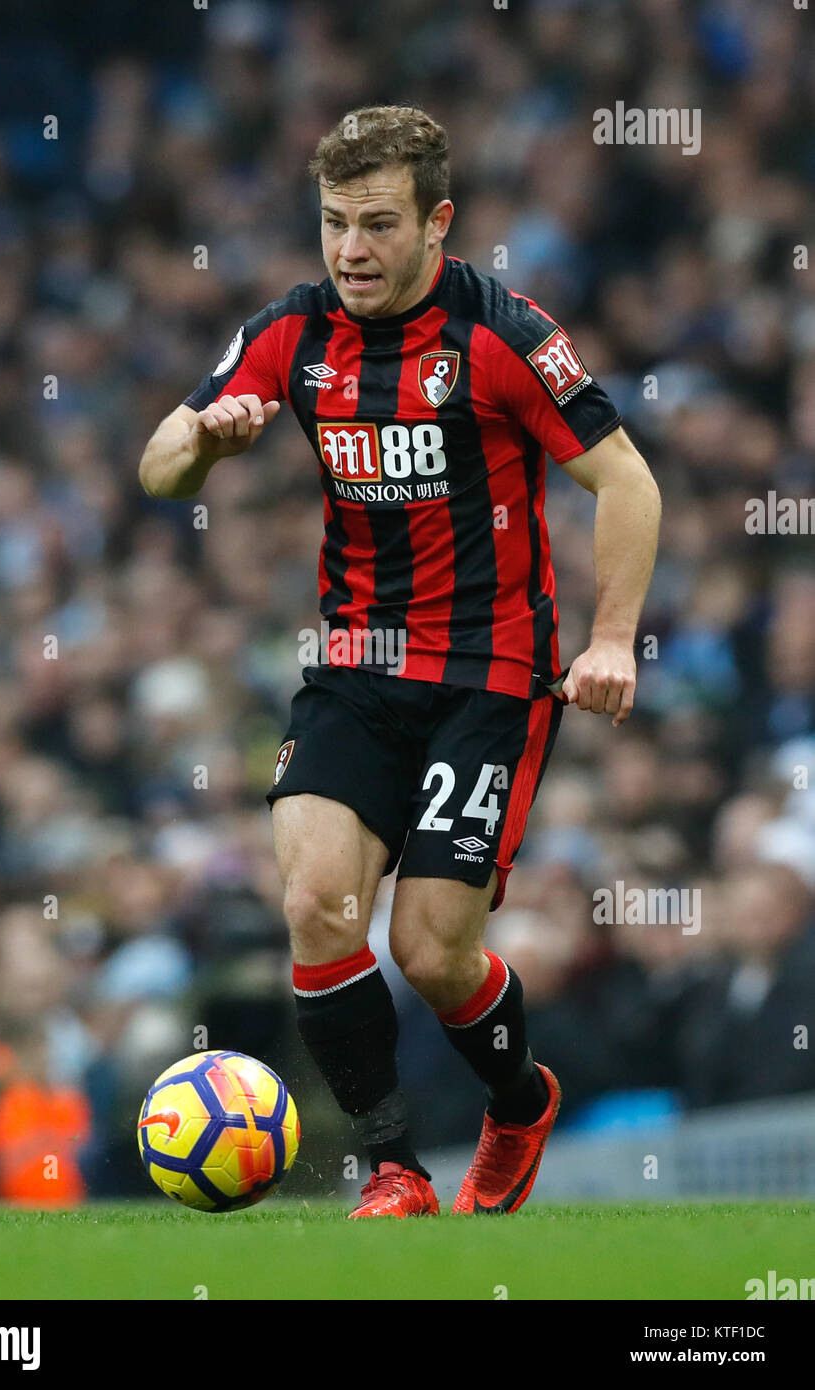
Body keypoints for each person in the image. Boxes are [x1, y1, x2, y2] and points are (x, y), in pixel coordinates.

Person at [139, 106, 661, 1217]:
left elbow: (625, 482)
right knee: (318, 904)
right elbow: (156, 470)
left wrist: (611, 639)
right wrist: (204, 437)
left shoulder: (504, 336)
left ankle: (516, 1102)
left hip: (489, 678)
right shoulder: (290, 333)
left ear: (438, 223)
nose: (350, 251)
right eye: (331, 224)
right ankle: (390, 1168)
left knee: (431, 951)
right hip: (354, 667)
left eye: (377, 225)